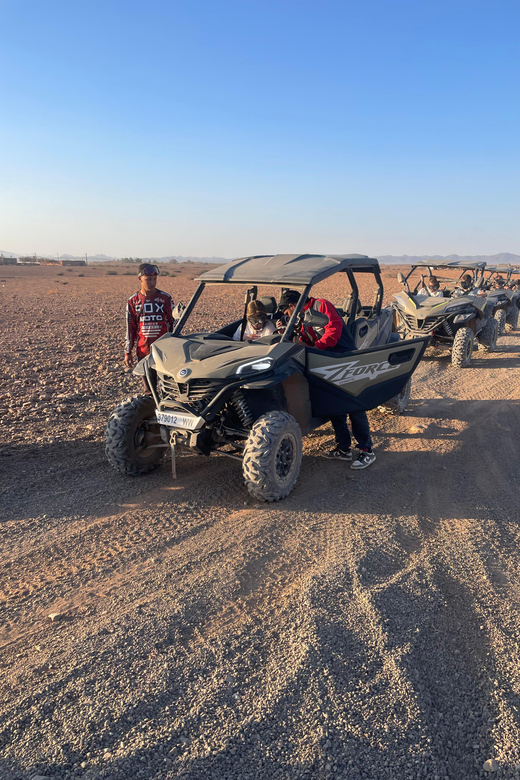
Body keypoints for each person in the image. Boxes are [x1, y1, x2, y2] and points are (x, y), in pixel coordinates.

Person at [277, 289, 375, 469]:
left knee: (354, 406)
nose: (288, 316)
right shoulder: (302, 318)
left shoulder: (320, 305)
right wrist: (293, 336)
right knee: (334, 406)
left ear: (292, 305)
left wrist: (316, 348)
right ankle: (343, 448)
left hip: (344, 360)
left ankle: (367, 450)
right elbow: (308, 340)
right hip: (326, 363)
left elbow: (333, 331)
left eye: (287, 312)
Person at [124, 263, 175, 370]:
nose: (152, 282)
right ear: (140, 279)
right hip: (143, 352)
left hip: (164, 351)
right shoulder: (133, 301)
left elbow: (174, 324)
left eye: (154, 279)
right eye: (148, 279)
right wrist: (128, 352)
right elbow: (130, 329)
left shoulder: (165, 298)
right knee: (146, 381)